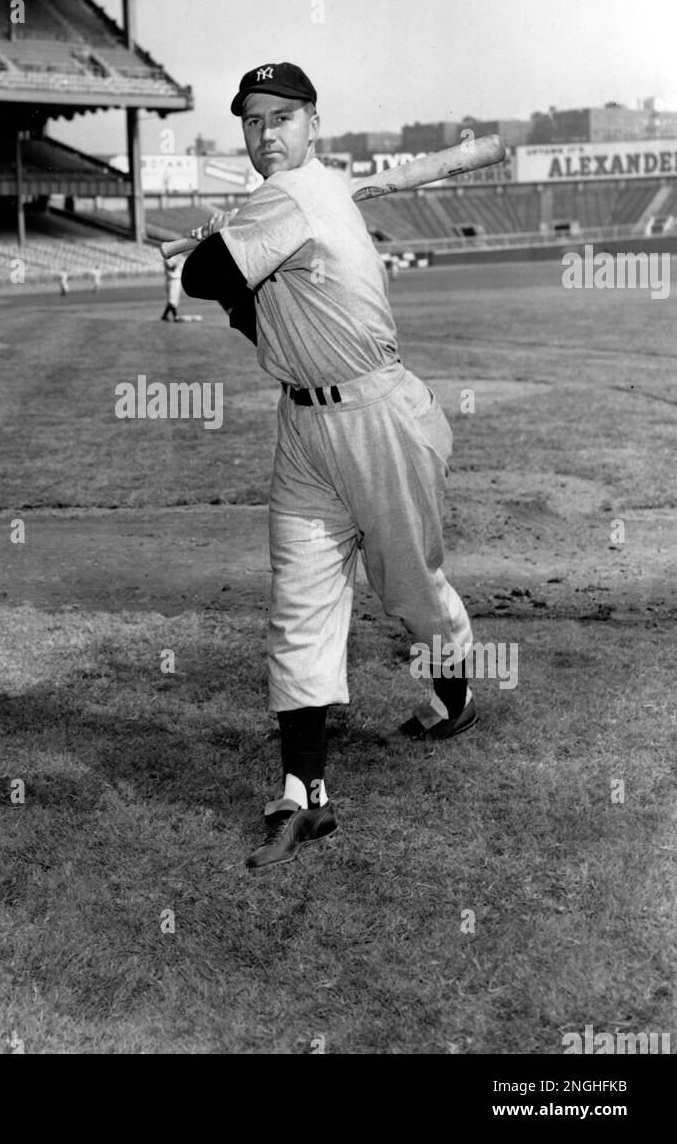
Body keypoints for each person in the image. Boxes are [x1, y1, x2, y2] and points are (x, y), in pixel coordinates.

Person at [182, 62, 475, 871]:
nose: (265, 134)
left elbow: (201, 274)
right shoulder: (299, 204)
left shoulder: (297, 195)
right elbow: (254, 319)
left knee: (413, 592)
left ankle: (456, 695)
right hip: (305, 425)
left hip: (379, 416)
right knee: (300, 602)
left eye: (281, 118)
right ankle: (301, 793)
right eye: (251, 122)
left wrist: (217, 238)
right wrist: (230, 250)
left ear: (313, 125)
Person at [161, 253, 184, 320]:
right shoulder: (167, 258)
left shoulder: (176, 258)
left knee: (173, 299)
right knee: (172, 299)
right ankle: (175, 316)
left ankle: (164, 316)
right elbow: (172, 268)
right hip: (172, 280)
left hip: (176, 280)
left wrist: (179, 260)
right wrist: (178, 260)